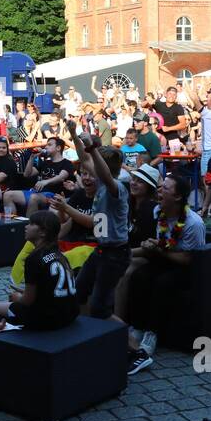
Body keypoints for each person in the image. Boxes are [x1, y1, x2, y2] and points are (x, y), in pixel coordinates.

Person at [115, 173, 208, 375]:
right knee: (139, 276)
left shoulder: (193, 223)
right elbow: (161, 243)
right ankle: (136, 328)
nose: (159, 191)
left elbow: (189, 260)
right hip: (162, 259)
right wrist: (152, 246)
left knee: (163, 283)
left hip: (187, 269)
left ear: (177, 197)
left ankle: (152, 333)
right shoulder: (159, 212)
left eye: (165, 189)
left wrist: (159, 250)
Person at [68, 119, 129, 323]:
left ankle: (135, 350)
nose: (90, 168)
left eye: (96, 164)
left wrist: (93, 148)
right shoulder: (102, 185)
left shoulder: (116, 188)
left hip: (115, 254)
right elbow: (84, 160)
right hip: (101, 250)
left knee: (100, 308)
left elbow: (97, 166)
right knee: (77, 293)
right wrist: (74, 134)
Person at [0, 211, 78, 331]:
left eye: (31, 224)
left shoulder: (34, 259)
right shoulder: (60, 254)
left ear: (43, 232)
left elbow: (27, 301)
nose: (26, 226)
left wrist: (17, 297)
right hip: (69, 314)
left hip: (47, 319)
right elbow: (49, 288)